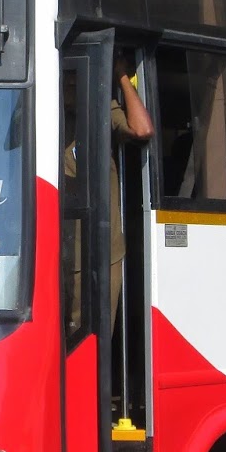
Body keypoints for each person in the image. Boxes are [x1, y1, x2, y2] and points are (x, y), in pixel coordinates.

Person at [63, 50, 153, 326]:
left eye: (74, 79)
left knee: (91, 342)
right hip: (55, 251)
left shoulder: (100, 111)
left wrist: (121, 76)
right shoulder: (38, 115)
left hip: (100, 252)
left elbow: (142, 130)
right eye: (66, 80)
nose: (71, 86)